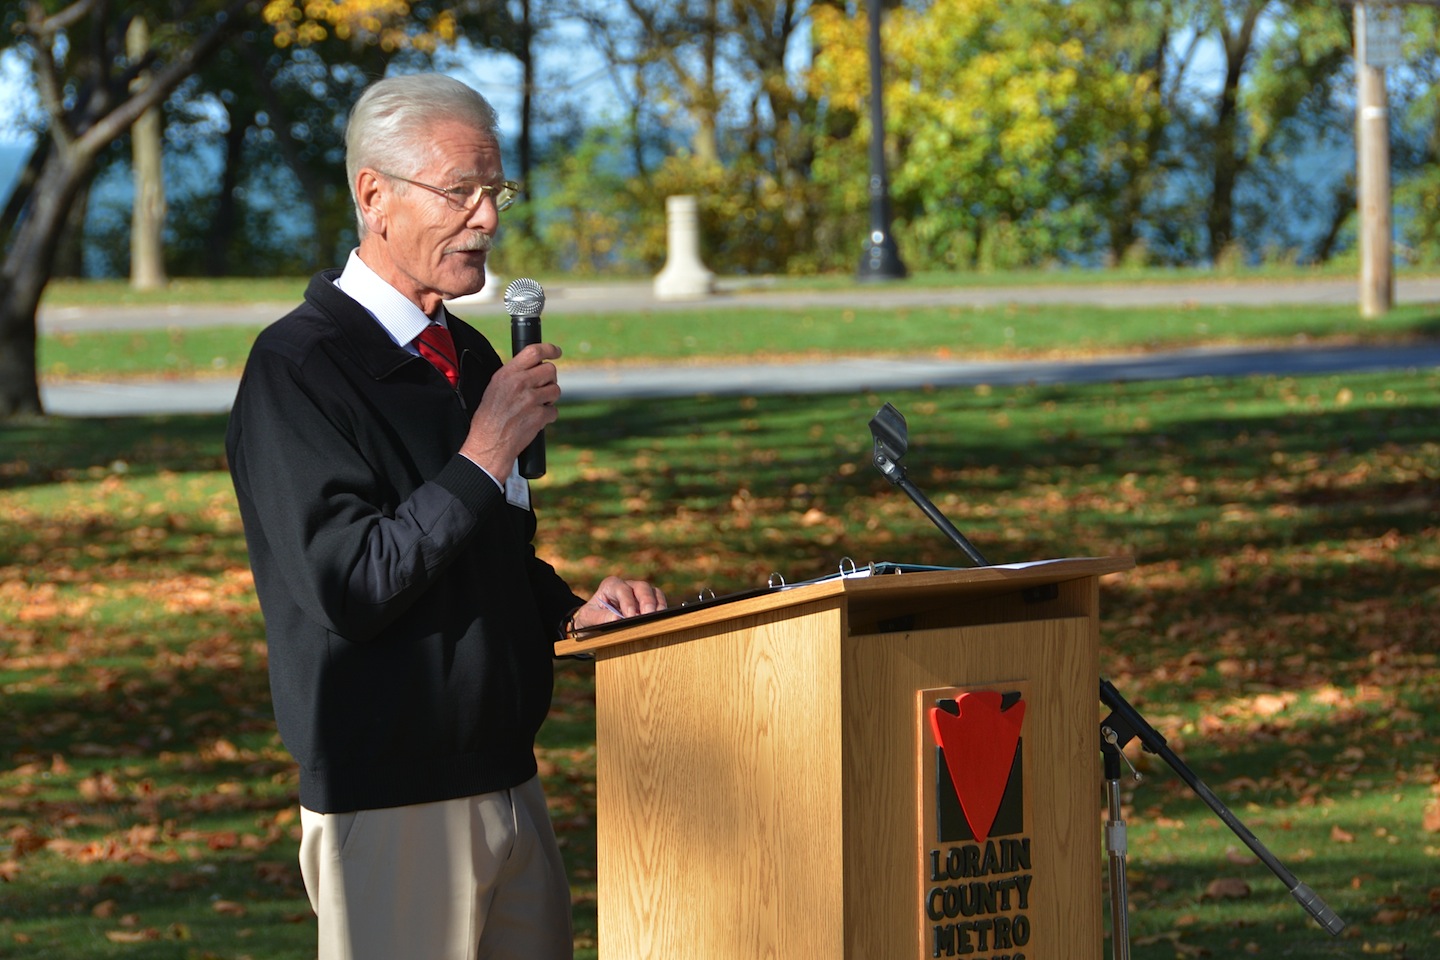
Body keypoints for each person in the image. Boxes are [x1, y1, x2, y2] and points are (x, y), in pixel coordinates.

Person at [225, 72, 666, 960]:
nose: (488, 218)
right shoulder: (297, 370)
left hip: (510, 782)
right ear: (373, 195)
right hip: (390, 799)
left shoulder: (462, 350)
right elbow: (351, 583)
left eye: (494, 190)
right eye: (459, 191)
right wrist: (486, 450)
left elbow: (485, 546)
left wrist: (568, 612)